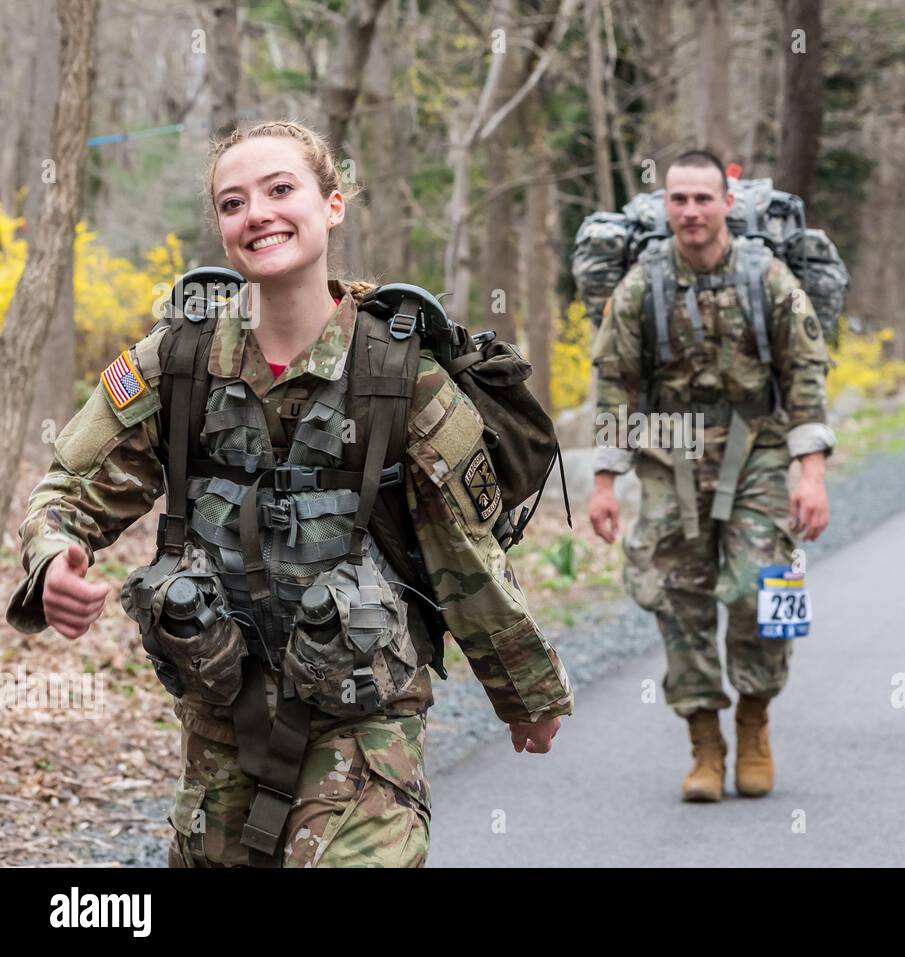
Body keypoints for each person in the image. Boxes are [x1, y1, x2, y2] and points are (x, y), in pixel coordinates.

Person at [4, 120, 572, 867]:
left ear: (332, 205)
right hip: (221, 721)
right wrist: (53, 559)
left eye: (281, 189)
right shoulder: (179, 358)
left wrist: (524, 694)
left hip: (366, 720)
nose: (258, 213)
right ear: (220, 227)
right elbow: (66, 491)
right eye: (233, 202)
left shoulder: (398, 369)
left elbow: (462, 553)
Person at [586, 150, 833, 802]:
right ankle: (704, 740)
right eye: (679, 200)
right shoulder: (643, 285)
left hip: (758, 449)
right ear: (665, 206)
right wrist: (606, 481)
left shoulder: (767, 277)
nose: (690, 212)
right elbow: (614, 384)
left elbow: (805, 376)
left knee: (764, 584)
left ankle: (755, 719)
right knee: (676, 595)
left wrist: (812, 475)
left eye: (702, 198)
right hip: (670, 452)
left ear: (728, 202)